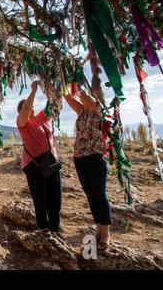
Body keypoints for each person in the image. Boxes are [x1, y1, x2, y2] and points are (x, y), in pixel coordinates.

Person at [64, 89, 111, 249]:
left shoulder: (99, 111)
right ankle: (99, 228)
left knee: (99, 195)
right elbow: (66, 96)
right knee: (90, 195)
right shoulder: (81, 110)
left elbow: (84, 97)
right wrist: (59, 78)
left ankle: (106, 234)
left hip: (95, 156)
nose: (82, 97)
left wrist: (77, 84)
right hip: (79, 157)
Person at [16, 81, 62, 233]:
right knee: (40, 196)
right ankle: (43, 227)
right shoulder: (22, 123)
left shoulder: (42, 118)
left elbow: (53, 103)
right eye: (26, 106)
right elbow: (27, 108)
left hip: (50, 161)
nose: (30, 107)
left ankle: (54, 228)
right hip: (33, 164)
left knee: (55, 195)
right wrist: (34, 91)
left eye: (30, 106)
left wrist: (52, 85)